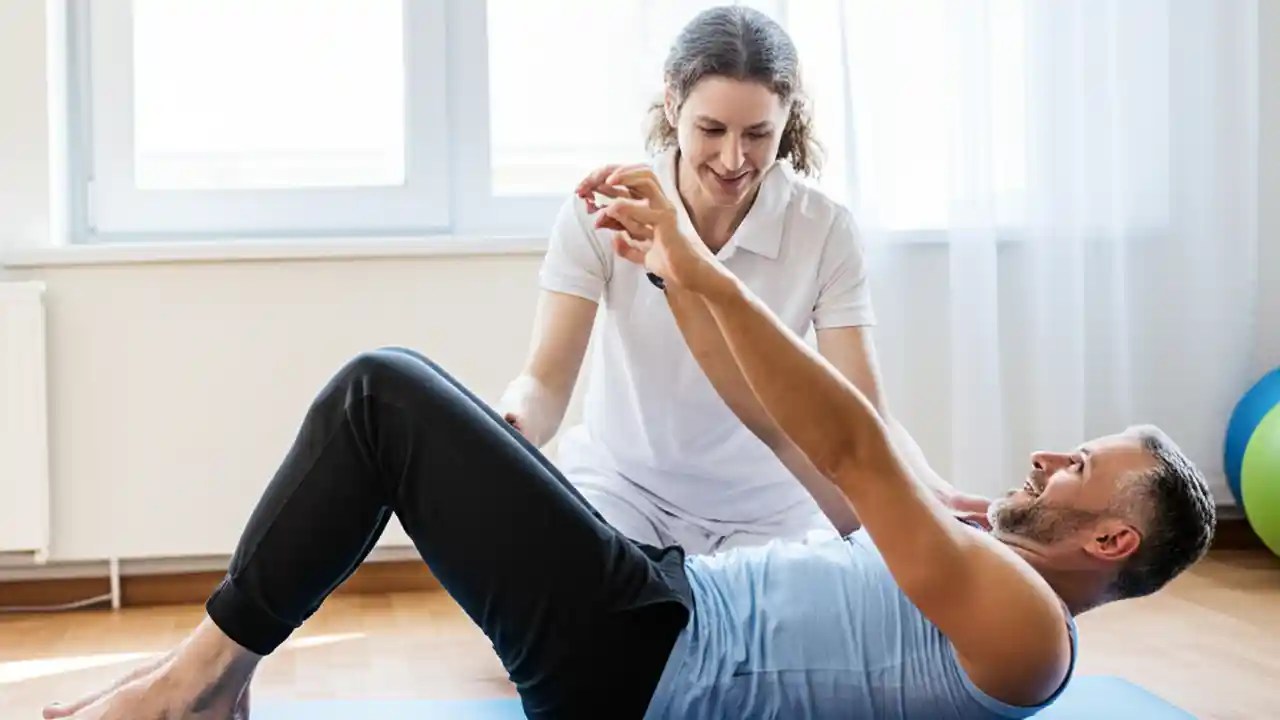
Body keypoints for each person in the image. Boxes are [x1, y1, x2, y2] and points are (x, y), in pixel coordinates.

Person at [46, 167, 1215, 720]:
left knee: (381, 394)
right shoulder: (968, 536)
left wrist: (700, 267)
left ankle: (199, 683)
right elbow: (771, 416)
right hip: (654, 609)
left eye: (1080, 464)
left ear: (1112, 536)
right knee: (386, 398)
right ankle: (215, 681)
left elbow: (854, 449)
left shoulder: (1023, 631)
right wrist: (671, 269)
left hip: (645, 658)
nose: (1049, 455)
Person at [498, 5, 988, 554]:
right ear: (671, 102)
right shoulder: (607, 211)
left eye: (759, 134)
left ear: (787, 118)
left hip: (770, 511)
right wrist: (511, 423)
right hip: (623, 490)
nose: (734, 159)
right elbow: (545, 381)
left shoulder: (823, 231)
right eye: (711, 129)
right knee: (605, 614)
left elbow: (863, 413)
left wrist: (932, 494)